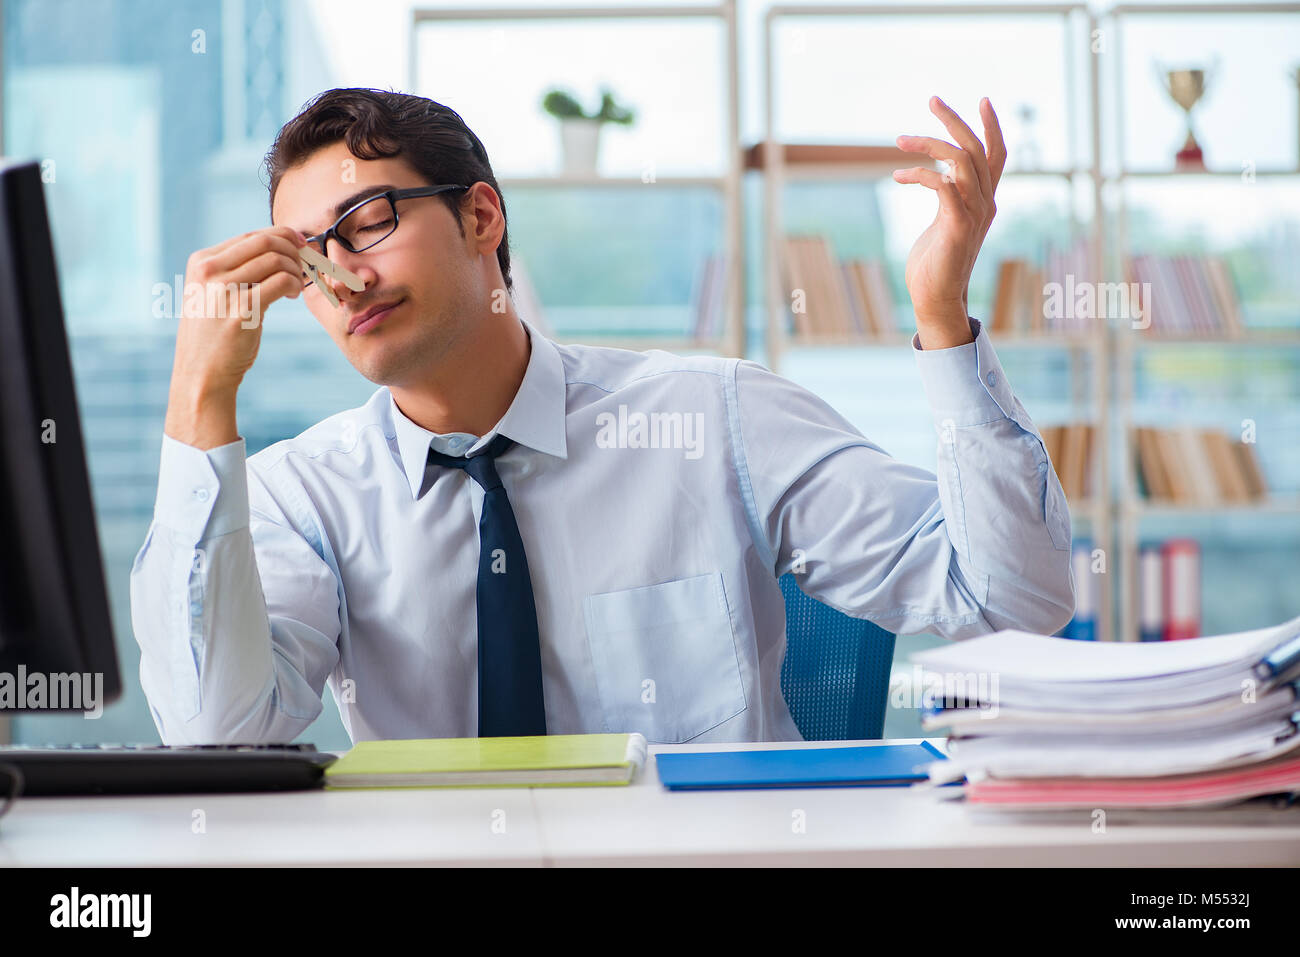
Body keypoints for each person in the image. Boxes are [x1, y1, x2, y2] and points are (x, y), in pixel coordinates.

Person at [130, 87, 1074, 746]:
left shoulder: (716, 420)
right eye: (309, 255)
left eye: (369, 219)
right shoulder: (305, 498)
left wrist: (942, 319)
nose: (344, 276)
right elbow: (218, 726)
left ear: (482, 219)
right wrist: (198, 402)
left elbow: (1011, 598)